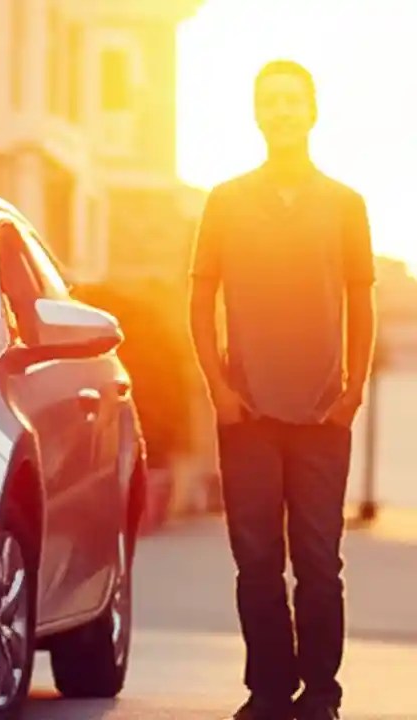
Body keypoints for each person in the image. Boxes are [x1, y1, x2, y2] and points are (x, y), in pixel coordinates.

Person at [188, 59, 376, 720]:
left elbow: (362, 299)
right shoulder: (227, 200)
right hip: (248, 412)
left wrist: (351, 393)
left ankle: (321, 695)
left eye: (293, 100)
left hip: (323, 414)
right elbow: (200, 294)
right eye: (270, 100)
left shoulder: (346, 203)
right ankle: (268, 692)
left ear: (313, 111)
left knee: (321, 564)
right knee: (258, 563)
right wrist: (218, 387)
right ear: (257, 113)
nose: (282, 110)